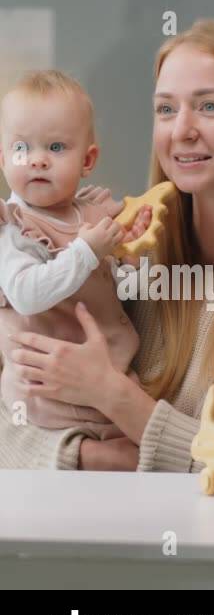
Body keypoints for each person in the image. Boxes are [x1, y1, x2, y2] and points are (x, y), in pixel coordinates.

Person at [1, 20, 214, 493]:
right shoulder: (122, 264)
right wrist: (90, 457)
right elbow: (10, 420)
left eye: (210, 106)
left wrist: (115, 396)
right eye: (166, 109)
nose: (182, 130)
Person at [0, 70, 152, 450]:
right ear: (3, 159)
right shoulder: (12, 229)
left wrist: (126, 258)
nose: (37, 161)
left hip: (112, 392)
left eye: (55, 148)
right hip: (49, 402)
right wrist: (85, 252)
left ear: (88, 160)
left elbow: (111, 292)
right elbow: (26, 294)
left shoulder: (92, 214)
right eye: (23, 149)